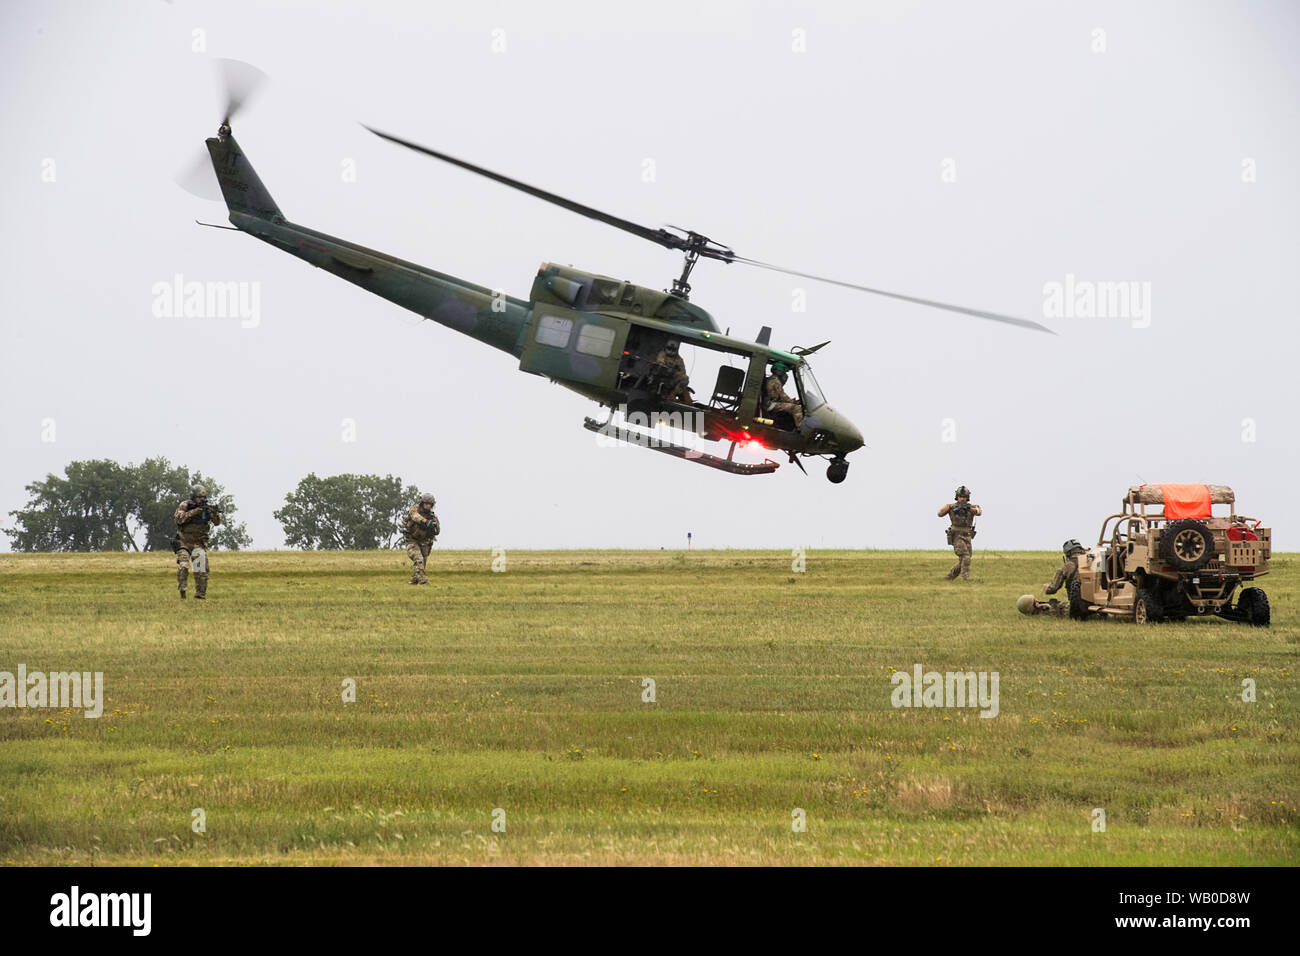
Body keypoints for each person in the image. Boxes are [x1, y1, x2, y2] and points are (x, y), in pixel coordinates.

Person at [173, 483, 222, 600]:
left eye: (204, 497)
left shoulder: (207, 508)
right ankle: (183, 593)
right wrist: (194, 512)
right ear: (193, 497)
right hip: (183, 542)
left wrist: (213, 513)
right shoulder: (185, 505)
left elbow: (217, 522)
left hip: (198, 543)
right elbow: (178, 519)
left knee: (201, 570)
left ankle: (200, 596)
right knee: (184, 567)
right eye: (199, 497)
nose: (202, 499)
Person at [938, 485, 981, 581]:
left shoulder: (972, 507)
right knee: (966, 557)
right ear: (957, 497)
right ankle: (966, 578)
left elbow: (978, 512)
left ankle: (949, 577)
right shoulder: (951, 506)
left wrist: (968, 508)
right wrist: (950, 508)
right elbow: (940, 513)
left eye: (964, 497)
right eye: (960, 496)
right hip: (956, 535)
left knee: (965, 559)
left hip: (967, 535)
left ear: (967, 497)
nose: (962, 499)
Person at [402, 492, 441, 585]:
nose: (428, 506)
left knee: (422, 564)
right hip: (411, 540)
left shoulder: (433, 517)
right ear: (422, 503)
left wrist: (433, 527)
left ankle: (414, 581)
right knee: (418, 559)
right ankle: (423, 582)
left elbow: (437, 531)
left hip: (424, 542)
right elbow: (415, 517)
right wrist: (425, 522)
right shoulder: (414, 509)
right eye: (426, 504)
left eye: (430, 504)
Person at [763, 361, 803, 429]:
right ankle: (800, 429)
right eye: (784, 372)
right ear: (780, 371)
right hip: (770, 404)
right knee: (796, 408)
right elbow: (782, 395)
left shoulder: (771, 379)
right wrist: (793, 402)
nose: (785, 375)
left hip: (770, 403)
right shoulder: (775, 381)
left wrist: (791, 401)